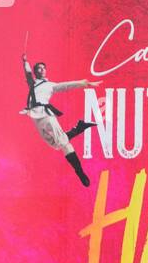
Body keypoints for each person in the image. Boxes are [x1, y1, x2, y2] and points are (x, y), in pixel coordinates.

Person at [20, 55, 102, 186]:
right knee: (55, 144)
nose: (41, 70)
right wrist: (25, 62)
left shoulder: (50, 85)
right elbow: (27, 73)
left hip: (46, 114)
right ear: (36, 72)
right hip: (34, 115)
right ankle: (79, 128)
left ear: (45, 71)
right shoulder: (33, 84)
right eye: (38, 69)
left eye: (43, 68)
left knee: (63, 143)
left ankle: (80, 172)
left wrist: (83, 83)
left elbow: (66, 86)